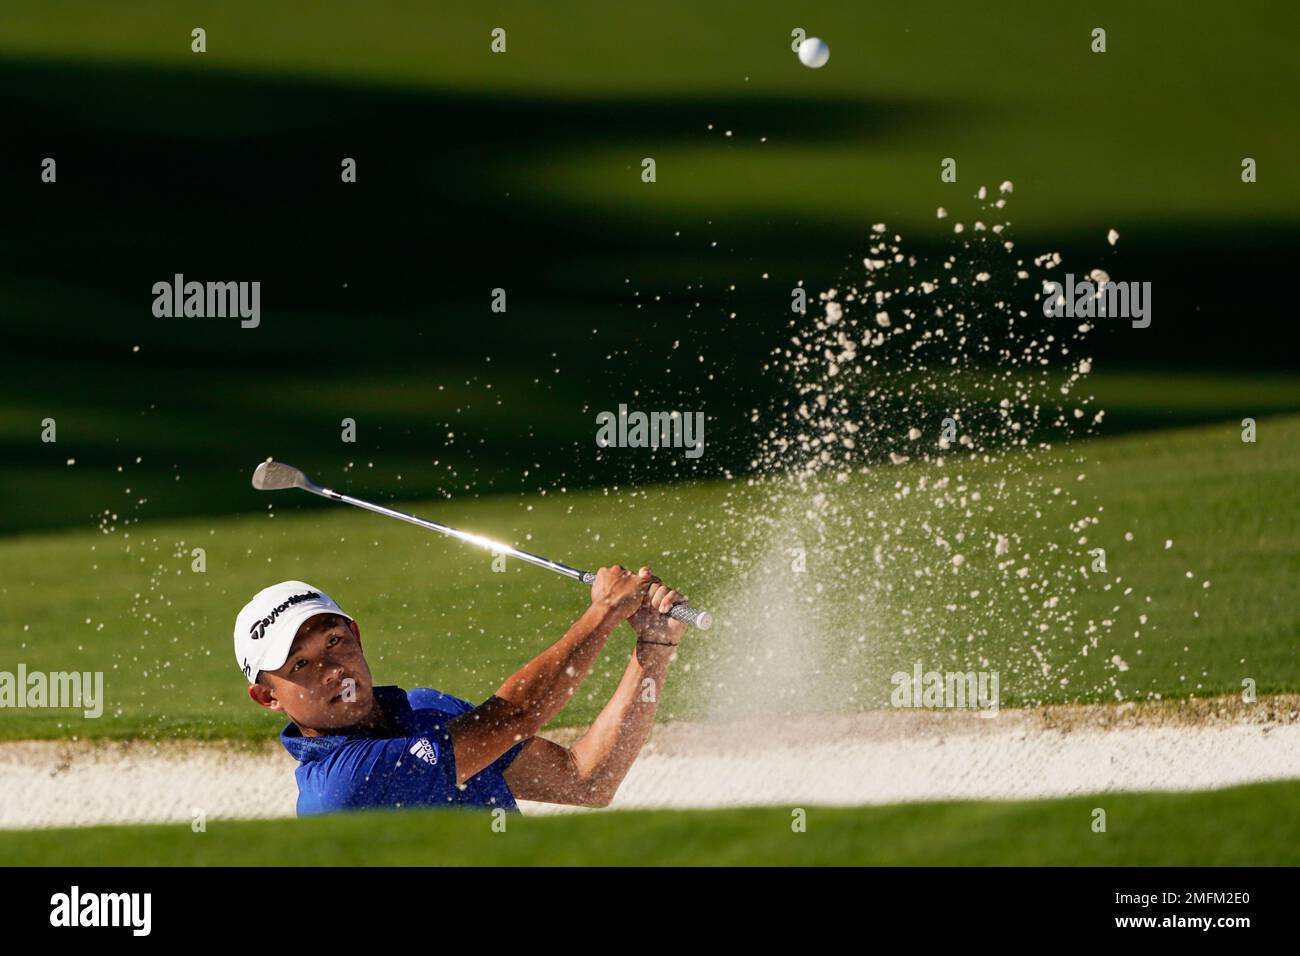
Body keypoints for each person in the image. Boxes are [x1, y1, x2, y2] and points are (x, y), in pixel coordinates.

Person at [233, 566, 686, 814]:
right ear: (267, 697)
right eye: (300, 665)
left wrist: (653, 647)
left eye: (334, 641)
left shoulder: (429, 710)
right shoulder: (341, 786)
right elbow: (516, 715)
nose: (331, 670)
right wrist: (604, 611)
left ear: (356, 633)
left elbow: (586, 779)